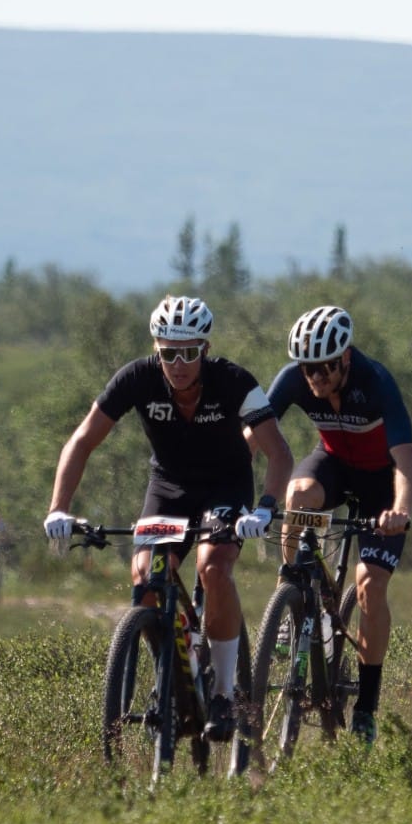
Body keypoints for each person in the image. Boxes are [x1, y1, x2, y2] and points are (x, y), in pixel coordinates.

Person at [44, 295, 294, 742]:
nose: (178, 364)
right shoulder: (136, 379)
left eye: (189, 352)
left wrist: (265, 507)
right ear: (156, 350)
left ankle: (221, 691)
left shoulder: (234, 381)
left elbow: (279, 451)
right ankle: (176, 670)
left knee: (213, 568)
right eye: (168, 353)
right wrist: (58, 507)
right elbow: (82, 441)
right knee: (145, 579)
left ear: (205, 348)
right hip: (170, 486)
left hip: (225, 484)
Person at [266, 305, 412, 744]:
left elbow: (407, 462)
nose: (314, 378)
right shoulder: (295, 378)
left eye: (323, 368)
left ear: (345, 358)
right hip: (333, 465)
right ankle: (290, 589)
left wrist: (401, 510)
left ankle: (366, 707)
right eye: (307, 368)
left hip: (380, 485)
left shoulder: (376, 382)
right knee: (297, 496)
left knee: (369, 584)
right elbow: (254, 432)